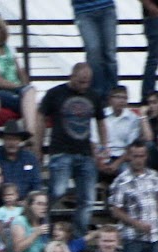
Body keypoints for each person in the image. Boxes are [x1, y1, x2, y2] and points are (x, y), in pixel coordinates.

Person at [39, 63, 105, 238]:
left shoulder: (94, 96)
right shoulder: (55, 93)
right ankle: (40, 222)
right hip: (61, 151)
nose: (84, 86)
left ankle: (78, 236)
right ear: (72, 76)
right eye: (81, 81)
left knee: (88, 198)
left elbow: (101, 120)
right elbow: (41, 117)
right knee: (57, 191)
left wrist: (104, 146)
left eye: (87, 82)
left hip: (86, 153)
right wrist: (37, 145)